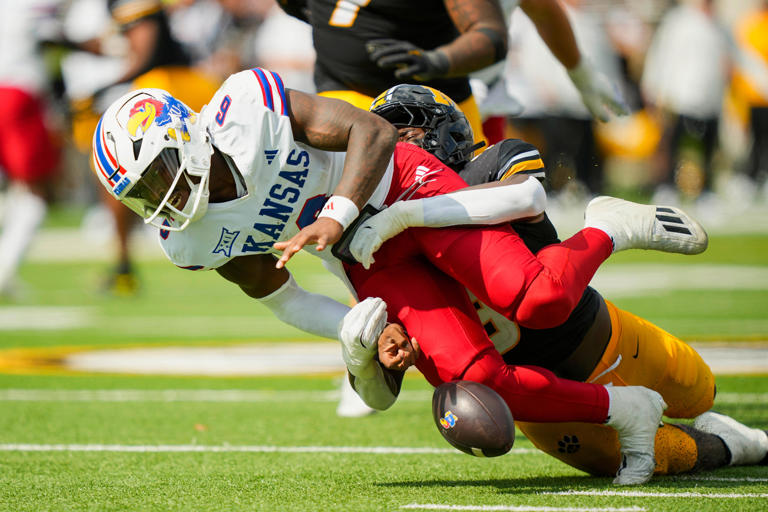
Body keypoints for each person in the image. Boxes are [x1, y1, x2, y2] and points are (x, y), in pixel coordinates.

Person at [92, 69, 708, 484]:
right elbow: (282, 299)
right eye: (141, 193)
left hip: (402, 190)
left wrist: (336, 216)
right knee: (478, 383)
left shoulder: (248, 109)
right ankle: (625, 409)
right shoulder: (191, 238)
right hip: (367, 253)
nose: (160, 195)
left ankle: (608, 227)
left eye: (158, 172)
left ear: (185, 134)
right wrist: (361, 328)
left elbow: (374, 131)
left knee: (538, 298)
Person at [350, 82, 768, 477]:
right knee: (668, 456)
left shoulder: (489, 167)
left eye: (405, 133)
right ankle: (738, 447)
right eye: (385, 139)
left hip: (602, 336)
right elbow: (380, 386)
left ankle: (612, 227)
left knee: (700, 392)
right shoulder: (378, 246)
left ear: (445, 131)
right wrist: (363, 357)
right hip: (542, 401)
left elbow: (524, 191)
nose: (394, 149)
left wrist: (410, 212)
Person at [276, 0, 628, 148]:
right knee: (357, 230)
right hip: (350, 88)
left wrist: (580, 73)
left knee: (476, 228)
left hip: (461, 93)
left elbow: (532, 11)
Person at [0, 0, 62, 298]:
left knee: (18, 192)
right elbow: (55, 33)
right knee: (36, 196)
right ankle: (4, 269)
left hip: (9, 90)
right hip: (17, 93)